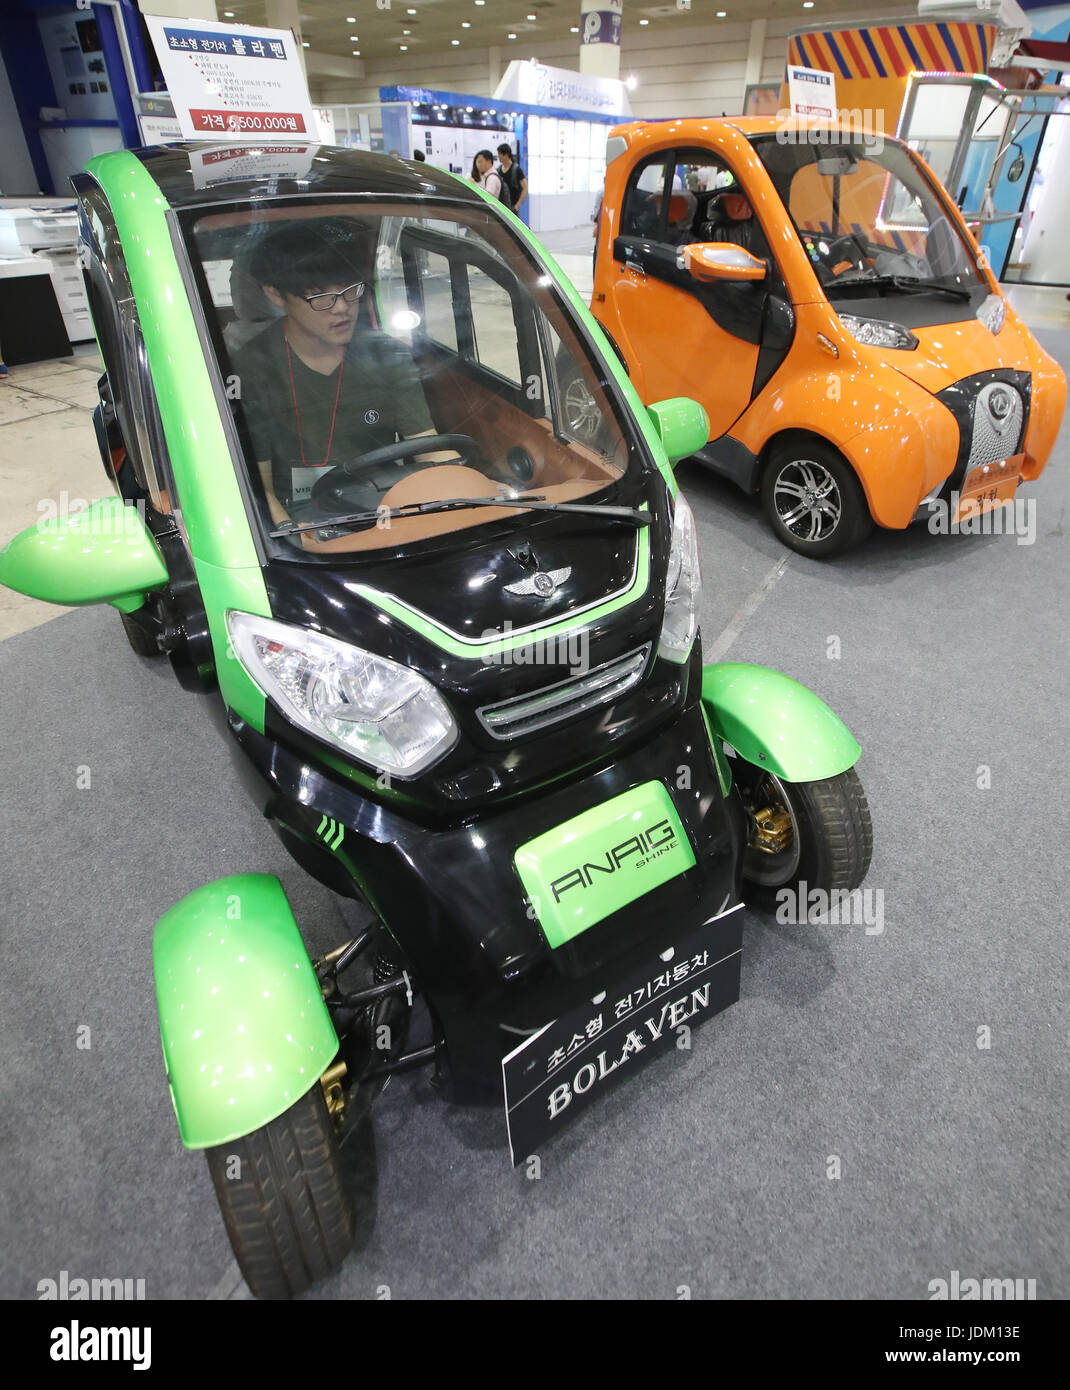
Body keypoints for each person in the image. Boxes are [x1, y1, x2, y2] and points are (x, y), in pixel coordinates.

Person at [232, 218, 458, 549]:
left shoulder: (386, 353)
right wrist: (293, 540)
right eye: (320, 296)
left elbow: (428, 448)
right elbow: (259, 489)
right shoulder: (253, 367)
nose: (342, 308)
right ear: (276, 294)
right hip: (298, 519)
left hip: (382, 509)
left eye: (350, 290)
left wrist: (468, 491)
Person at [496, 143, 527, 212]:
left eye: (500, 154)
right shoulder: (498, 170)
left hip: (512, 207)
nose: (498, 157)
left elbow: (525, 188)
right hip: (501, 207)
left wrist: (517, 205)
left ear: (506, 154)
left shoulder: (516, 169)